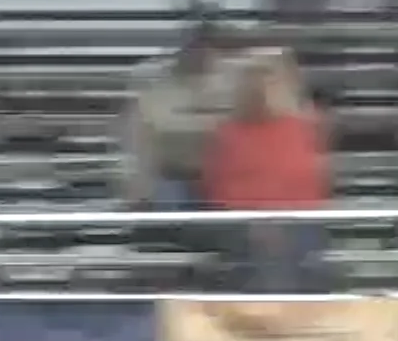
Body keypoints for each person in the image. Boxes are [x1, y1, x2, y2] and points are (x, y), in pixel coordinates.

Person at [201, 48, 332, 291]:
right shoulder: (228, 132)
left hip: (301, 220)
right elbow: (219, 185)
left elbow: (309, 179)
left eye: (270, 78)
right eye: (254, 79)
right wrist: (258, 219)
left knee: (299, 268)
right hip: (247, 225)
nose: (262, 87)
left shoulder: (306, 125)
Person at [119, 20, 242, 211]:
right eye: (194, 46)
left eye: (207, 47)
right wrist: (138, 192)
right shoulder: (155, 82)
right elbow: (140, 139)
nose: (201, 53)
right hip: (172, 176)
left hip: (226, 177)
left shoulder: (237, 80)